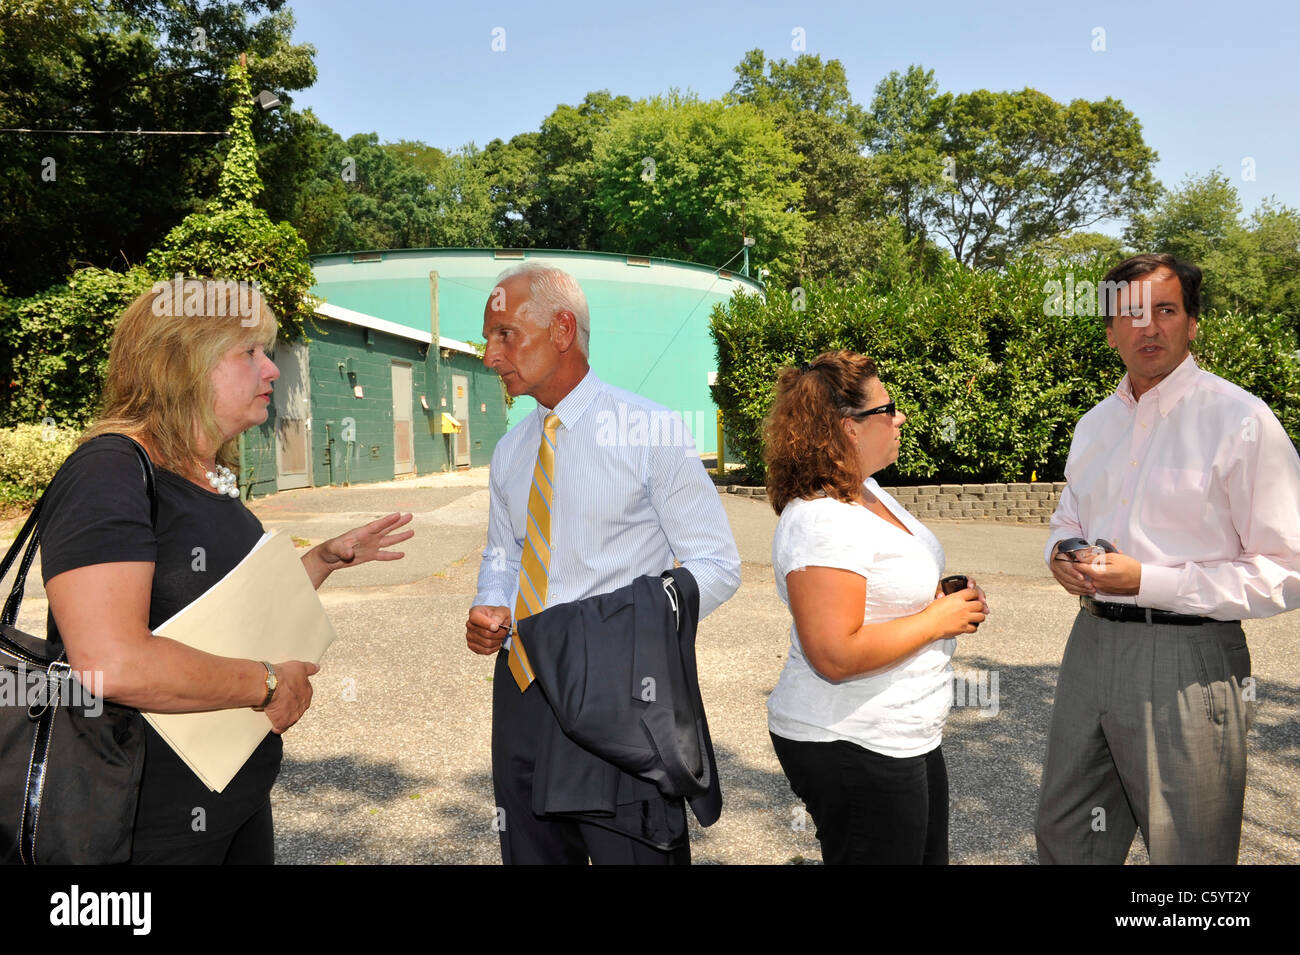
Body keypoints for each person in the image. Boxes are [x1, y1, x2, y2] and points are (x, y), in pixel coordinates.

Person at [39, 280, 414, 865]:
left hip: (231, 797)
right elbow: (110, 662)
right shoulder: (109, 472)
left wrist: (319, 561)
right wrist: (268, 684)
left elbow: (222, 611)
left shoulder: (205, 472)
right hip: (140, 822)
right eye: (250, 353)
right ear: (181, 362)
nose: (272, 371)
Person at [464, 262, 740, 865]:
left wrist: (612, 636)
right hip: (523, 694)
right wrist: (492, 601)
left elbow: (716, 564)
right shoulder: (511, 450)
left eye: (505, 334)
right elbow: (504, 551)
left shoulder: (651, 433)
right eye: (489, 337)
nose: (490, 355)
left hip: (620, 701)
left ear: (562, 329)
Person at [1036, 253, 1300, 864]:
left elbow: (1287, 567)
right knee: (1068, 836)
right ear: (1109, 331)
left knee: (1190, 856)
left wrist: (1148, 581)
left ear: (1192, 323)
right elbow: (1068, 519)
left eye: (1165, 310)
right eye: (1130, 315)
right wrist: (1061, 552)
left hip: (1189, 659)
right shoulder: (1094, 425)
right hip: (1091, 645)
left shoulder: (1241, 421)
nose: (1147, 327)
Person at [763, 351, 989, 865]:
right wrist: (936, 621)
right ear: (850, 429)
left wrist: (939, 602)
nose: (901, 417)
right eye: (888, 408)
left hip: (901, 731)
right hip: (851, 739)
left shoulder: (865, 492)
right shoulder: (822, 520)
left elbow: (880, 600)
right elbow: (833, 655)